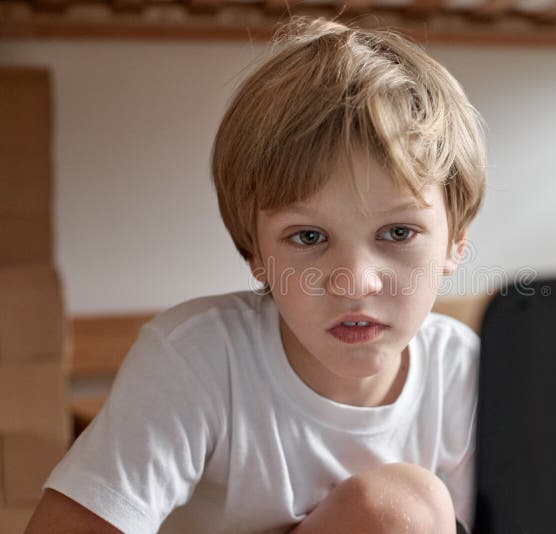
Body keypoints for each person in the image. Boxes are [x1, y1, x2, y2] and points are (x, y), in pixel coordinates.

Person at [26, 15, 486, 534]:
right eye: (309, 237)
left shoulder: (462, 372)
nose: (355, 283)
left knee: (407, 508)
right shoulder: (198, 358)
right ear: (256, 256)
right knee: (402, 509)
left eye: (398, 233)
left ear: (456, 242)